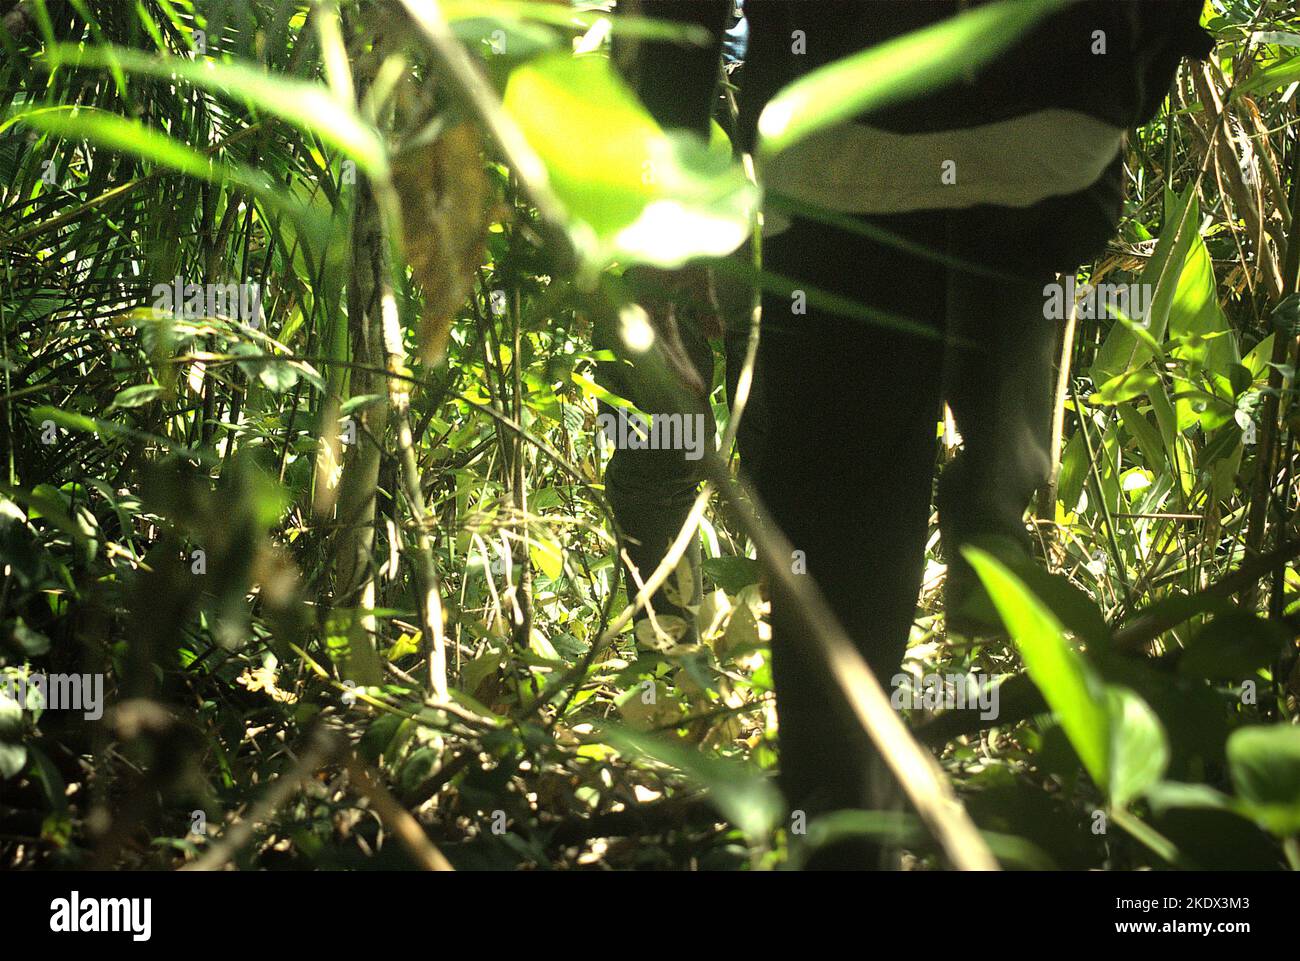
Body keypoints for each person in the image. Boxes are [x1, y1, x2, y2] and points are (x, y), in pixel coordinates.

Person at [601, 0, 1214, 866]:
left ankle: (845, 811)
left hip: (840, 142)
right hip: (1050, 128)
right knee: (1011, 256)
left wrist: (664, 218)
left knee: (841, 529)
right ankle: (996, 495)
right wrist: (1124, 72)